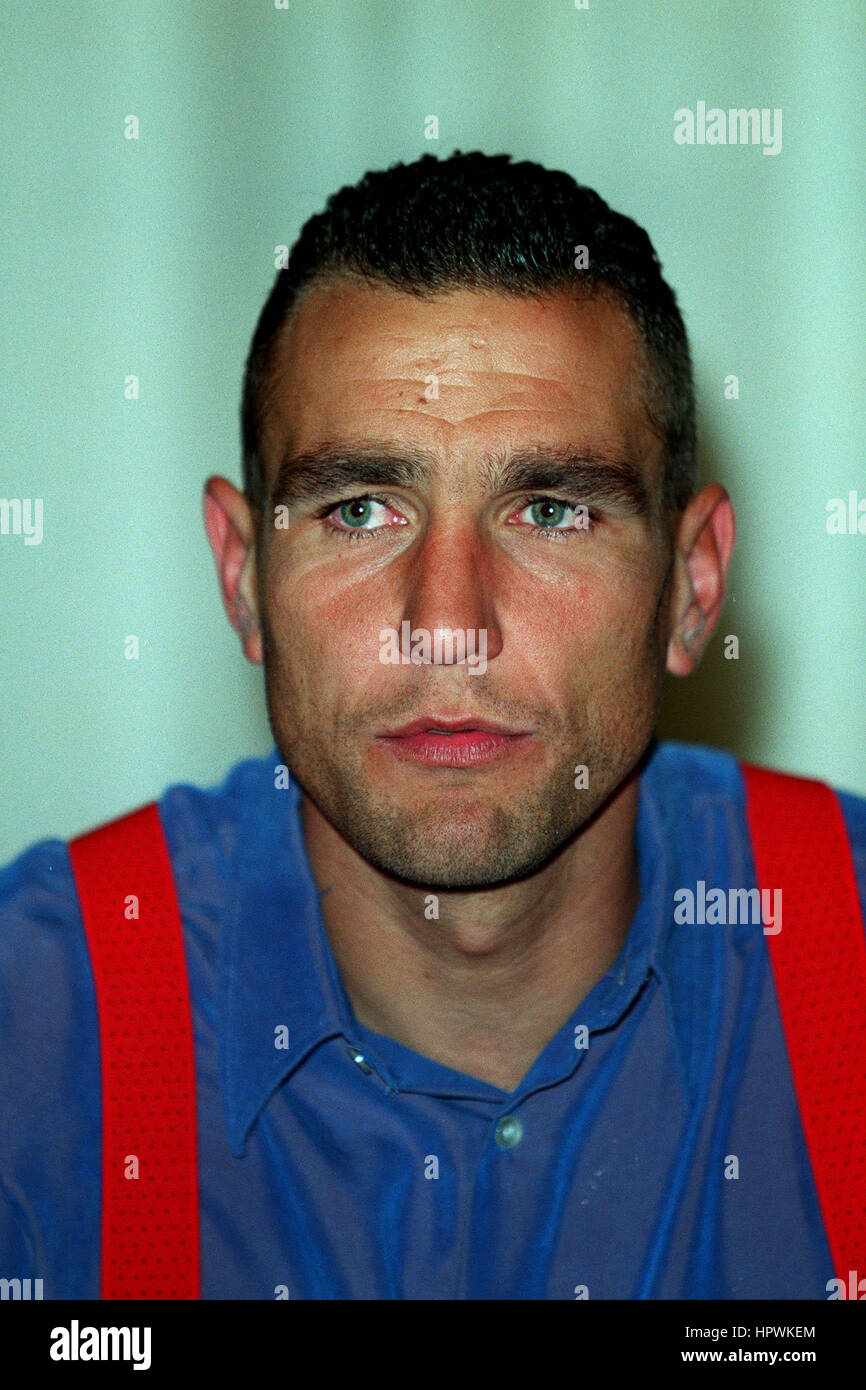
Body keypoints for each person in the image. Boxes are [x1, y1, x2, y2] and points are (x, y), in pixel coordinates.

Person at [2, 150, 864, 1301]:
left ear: (691, 586)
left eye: (550, 509)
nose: (446, 626)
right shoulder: (36, 1031)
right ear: (243, 573)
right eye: (360, 509)